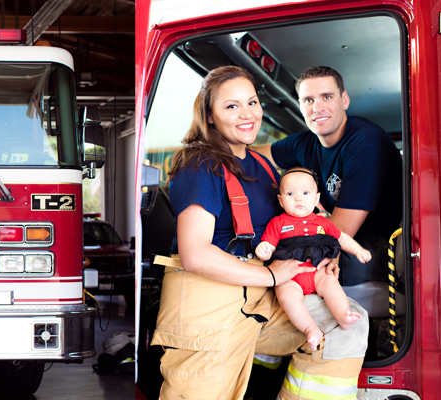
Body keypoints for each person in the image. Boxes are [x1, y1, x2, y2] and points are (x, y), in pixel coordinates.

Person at [152, 65, 366, 399]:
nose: (246, 114)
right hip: (209, 304)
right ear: (209, 116)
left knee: (346, 323)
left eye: (251, 102)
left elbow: (290, 227)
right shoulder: (200, 165)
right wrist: (272, 277)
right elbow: (194, 253)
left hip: (262, 298)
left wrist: (326, 255)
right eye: (231, 106)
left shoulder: (262, 165)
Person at [254, 66, 402, 286]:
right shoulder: (303, 143)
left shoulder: (365, 142)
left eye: (327, 97)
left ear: (344, 100)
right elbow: (252, 156)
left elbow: (338, 232)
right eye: (308, 100)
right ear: (301, 107)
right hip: (346, 234)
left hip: (380, 243)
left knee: (296, 265)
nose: (318, 108)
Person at [256, 167, 371, 351]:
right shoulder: (278, 223)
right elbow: (269, 244)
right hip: (290, 278)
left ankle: (343, 315)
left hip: (318, 272)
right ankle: (311, 329)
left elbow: (340, 237)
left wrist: (357, 250)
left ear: (316, 199)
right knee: (287, 297)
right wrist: (265, 251)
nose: (298, 198)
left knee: (331, 284)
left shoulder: (322, 222)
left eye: (305, 193)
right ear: (281, 200)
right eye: (290, 193)